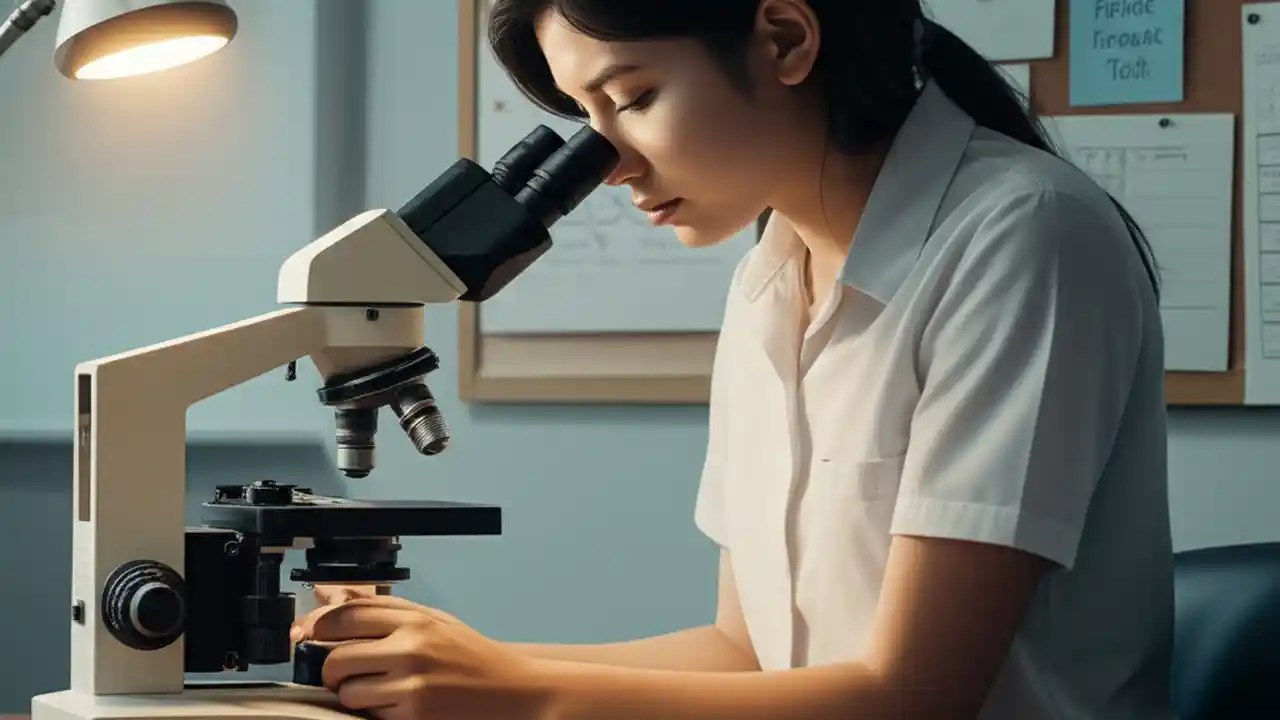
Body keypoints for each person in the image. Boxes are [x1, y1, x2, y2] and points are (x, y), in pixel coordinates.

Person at [290, 1, 1176, 718]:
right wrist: (442, 655)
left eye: (632, 100)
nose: (609, 167)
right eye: (584, 120)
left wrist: (510, 692)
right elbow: (744, 655)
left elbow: (913, 695)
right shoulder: (769, 281)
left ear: (785, 38)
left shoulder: (1022, 236)